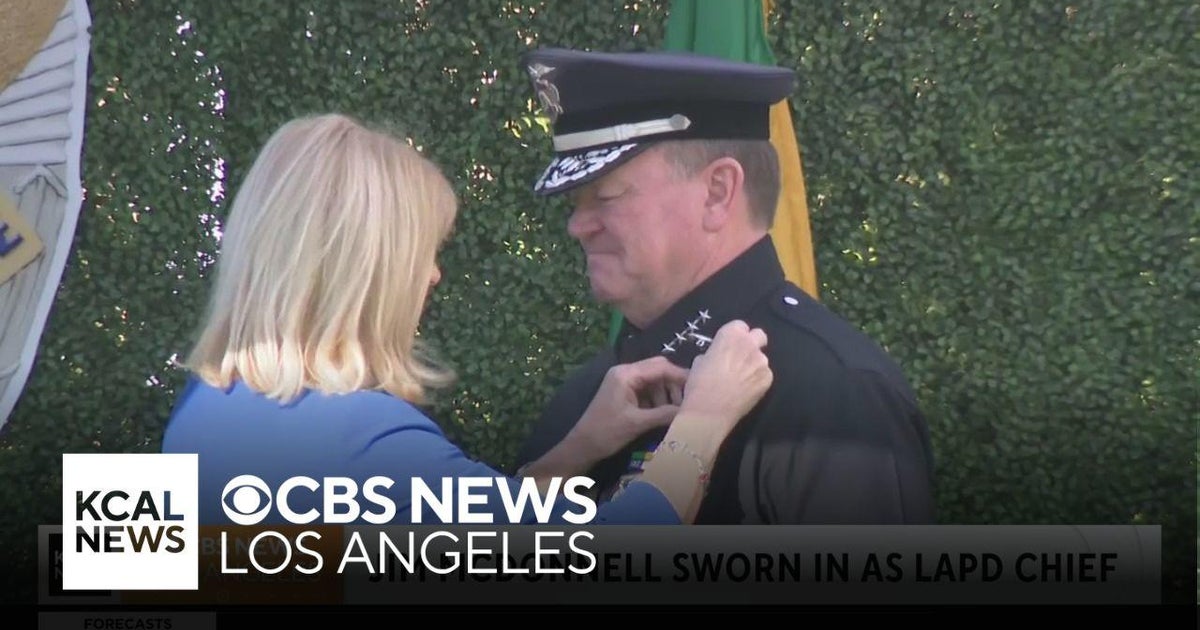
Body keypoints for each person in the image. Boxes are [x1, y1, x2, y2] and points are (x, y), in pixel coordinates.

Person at [160, 113, 775, 527]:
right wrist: (704, 419)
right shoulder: (367, 441)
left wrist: (581, 447)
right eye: (424, 252)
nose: (432, 276)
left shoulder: (199, 407)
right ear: (367, 269)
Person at [514, 47, 936, 524]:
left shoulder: (836, 402)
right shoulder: (590, 404)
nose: (578, 226)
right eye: (575, 201)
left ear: (717, 193)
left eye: (606, 195)